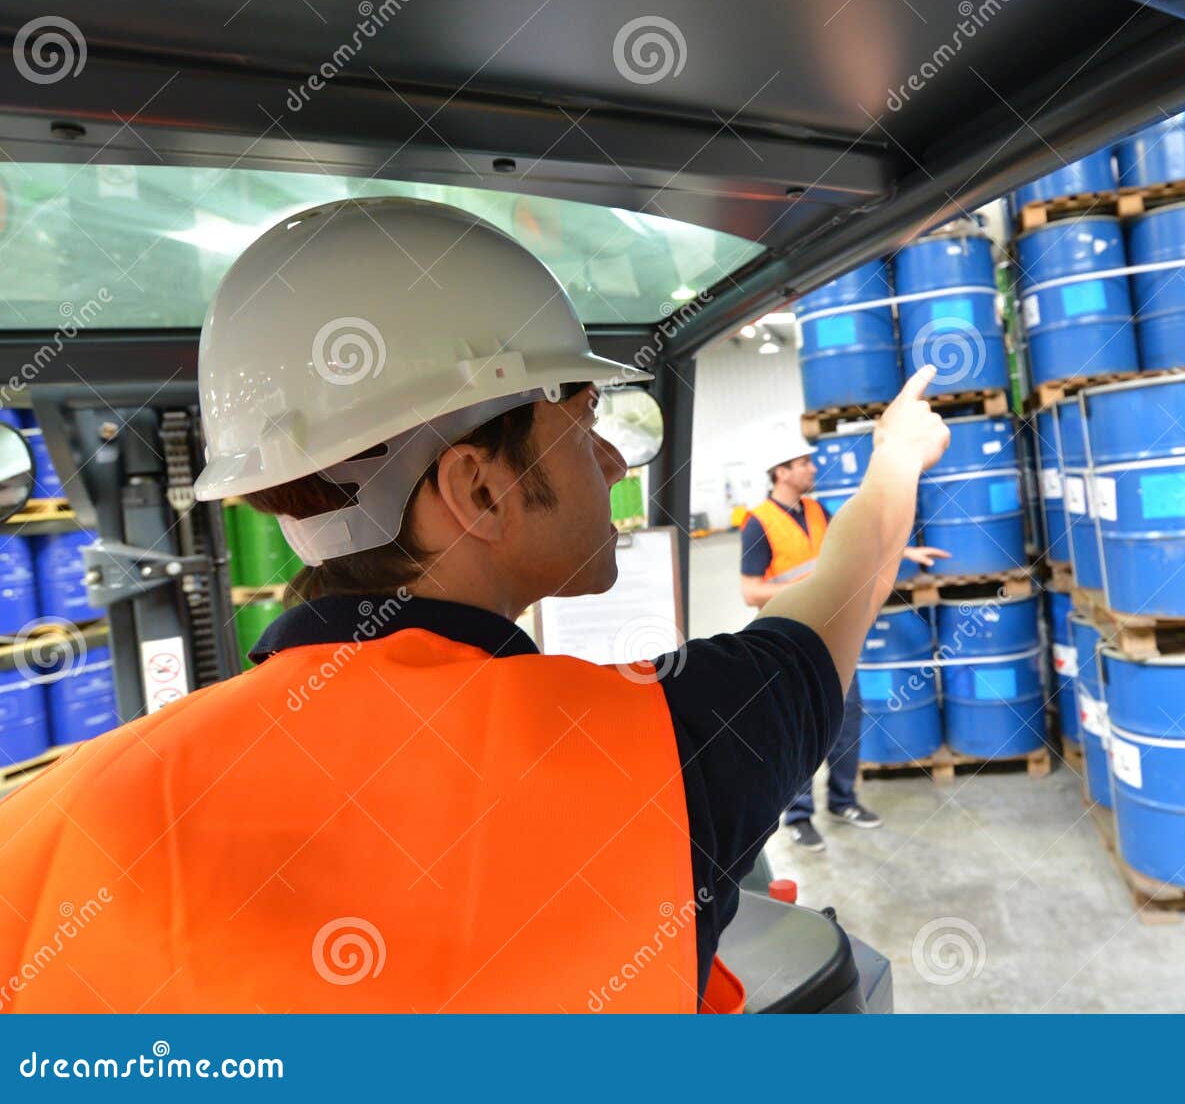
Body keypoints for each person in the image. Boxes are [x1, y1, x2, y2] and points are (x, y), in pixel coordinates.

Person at [0, 198, 950, 1014]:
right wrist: (896, 457)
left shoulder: (46, 828)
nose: (614, 464)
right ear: (480, 487)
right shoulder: (654, 749)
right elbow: (838, 599)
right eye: (582, 424)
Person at [740, 436, 947, 852]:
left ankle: (843, 800)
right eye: (803, 463)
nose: (813, 469)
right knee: (800, 727)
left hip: (832, 633)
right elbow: (750, 592)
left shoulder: (817, 511)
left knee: (846, 716)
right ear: (781, 471)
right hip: (787, 635)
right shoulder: (757, 522)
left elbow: (855, 548)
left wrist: (907, 551)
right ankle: (798, 816)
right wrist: (812, 584)